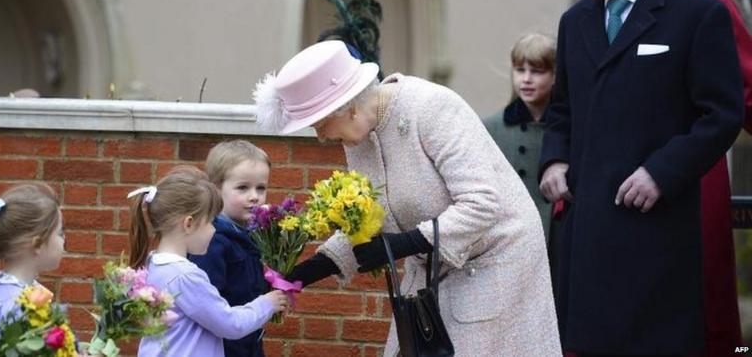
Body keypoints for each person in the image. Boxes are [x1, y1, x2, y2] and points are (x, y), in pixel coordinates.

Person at [253, 39, 561, 356]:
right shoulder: (357, 135)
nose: (319, 137)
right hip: (432, 267)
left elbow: (482, 203)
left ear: (348, 106)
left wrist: (400, 245)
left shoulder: (431, 107)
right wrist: (302, 274)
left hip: (495, 258)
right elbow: (370, 217)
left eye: (320, 124)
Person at [540, 0, 744, 355]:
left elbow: (722, 114)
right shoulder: (574, 22)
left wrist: (661, 173)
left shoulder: (697, 12)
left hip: (659, 237)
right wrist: (554, 158)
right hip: (589, 239)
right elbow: (561, 111)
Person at [627, 0, 752, 353]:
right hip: (618, 192)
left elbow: (745, 95)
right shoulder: (595, 15)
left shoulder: (708, 6)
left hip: (692, 188)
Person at [129, 166, 288, 357]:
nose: (214, 230)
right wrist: (266, 304)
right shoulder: (185, 276)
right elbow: (229, 324)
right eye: (211, 222)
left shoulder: (153, 265)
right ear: (188, 224)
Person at [188, 140, 271, 357]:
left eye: (260, 188)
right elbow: (208, 307)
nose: (254, 196)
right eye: (243, 187)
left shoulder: (250, 234)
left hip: (249, 343)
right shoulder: (212, 240)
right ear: (215, 190)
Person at [0, 184, 67, 356]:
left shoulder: (17, 294)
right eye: (59, 232)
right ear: (37, 244)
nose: (64, 239)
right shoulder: (16, 308)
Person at [483, 32, 557, 242]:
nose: (526, 79)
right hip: (510, 239)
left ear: (555, 75)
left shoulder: (568, 132)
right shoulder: (491, 128)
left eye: (537, 71)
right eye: (520, 70)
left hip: (558, 240)